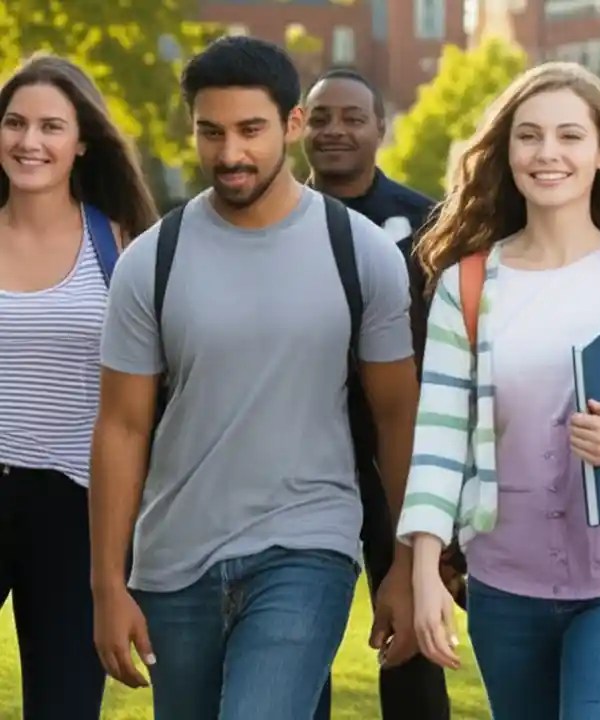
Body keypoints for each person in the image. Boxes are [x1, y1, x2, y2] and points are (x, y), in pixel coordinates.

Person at [89, 35, 419, 718]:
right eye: (211, 132)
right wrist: (106, 585)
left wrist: (408, 567)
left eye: (250, 131)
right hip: (174, 561)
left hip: (308, 545)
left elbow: (398, 420)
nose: (230, 154)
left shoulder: (362, 255)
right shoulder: (152, 262)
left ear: (292, 125)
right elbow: (121, 427)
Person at [398, 61, 600, 720]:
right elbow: (437, 440)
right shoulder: (469, 285)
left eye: (570, 136)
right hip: (503, 584)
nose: (549, 153)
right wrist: (424, 569)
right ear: (506, 152)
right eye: (530, 136)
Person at [0, 53, 156, 720]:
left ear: (81, 140)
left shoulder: (121, 244)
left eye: (51, 126)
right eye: (13, 123)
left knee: (63, 707)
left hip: (78, 512)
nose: (29, 142)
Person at [302, 66, 453, 720]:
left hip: (403, 458)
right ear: (297, 127)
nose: (334, 130)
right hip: (304, 460)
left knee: (412, 641)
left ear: (380, 129)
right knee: (296, 635)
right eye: (320, 117)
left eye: (351, 117)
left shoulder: (428, 223)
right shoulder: (272, 221)